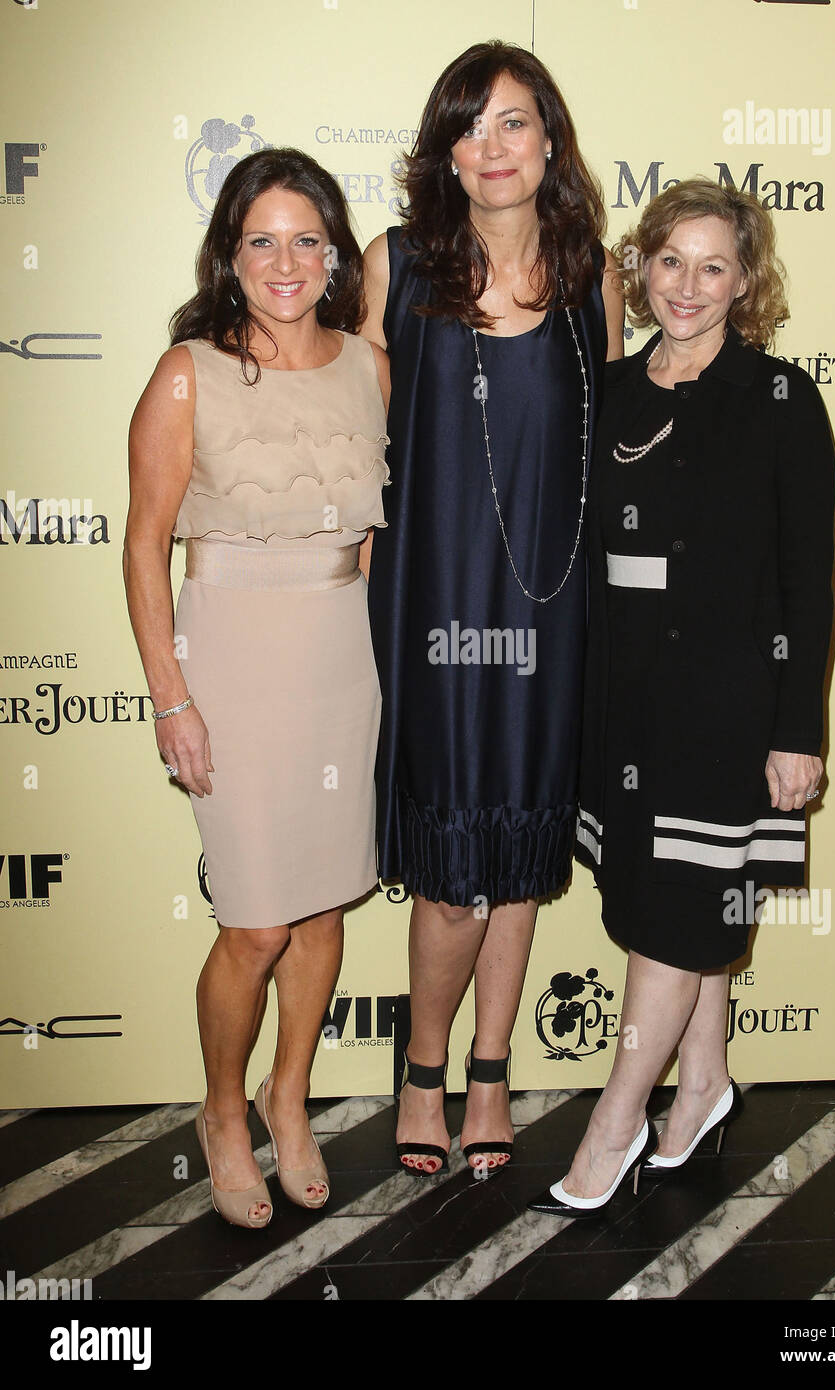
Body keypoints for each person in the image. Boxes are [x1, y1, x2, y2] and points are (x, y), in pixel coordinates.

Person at [529, 178, 835, 1216]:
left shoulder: (780, 398)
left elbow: (808, 580)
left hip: (724, 703)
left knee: (668, 918)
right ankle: (699, 1085)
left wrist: (796, 731)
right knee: (673, 906)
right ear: (639, 265)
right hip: (625, 702)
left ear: (745, 280)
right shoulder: (609, 392)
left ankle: (611, 1128)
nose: (688, 285)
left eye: (714, 265)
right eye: (670, 260)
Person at [362, 40, 625, 1177]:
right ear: (444, 154)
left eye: (512, 122)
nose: (492, 147)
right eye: (469, 128)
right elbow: (360, 451)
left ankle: (487, 1069)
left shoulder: (593, 280)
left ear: (549, 141)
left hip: (550, 617)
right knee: (449, 862)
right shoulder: (394, 269)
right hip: (429, 605)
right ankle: (420, 1067)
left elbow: (609, 461)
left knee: (518, 848)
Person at [123, 148, 390, 1227]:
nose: (285, 261)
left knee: (323, 907)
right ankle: (223, 1111)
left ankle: (291, 1098)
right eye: (261, 240)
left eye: (306, 239)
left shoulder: (367, 366)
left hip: (340, 656)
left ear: (334, 254)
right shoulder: (186, 370)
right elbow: (144, 547)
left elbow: (369, 536)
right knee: (254, 925)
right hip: (231, 657)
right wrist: (170, 697)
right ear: (230, 255)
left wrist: (375, 673)